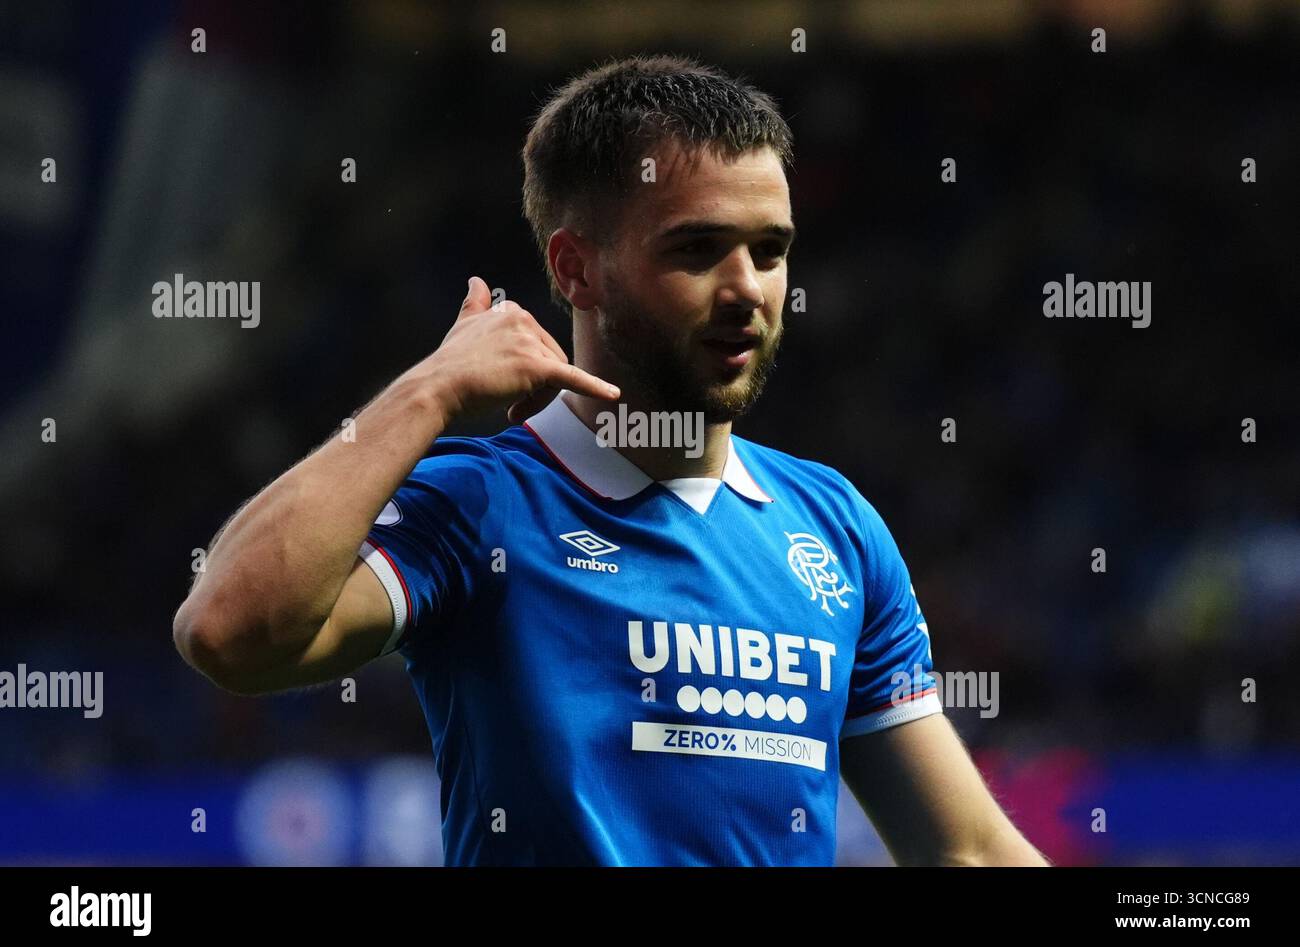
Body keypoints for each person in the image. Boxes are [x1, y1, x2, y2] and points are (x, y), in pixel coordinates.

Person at [174, 54, 1047, 866]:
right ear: (577, 271)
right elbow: (230, 633)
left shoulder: (837, 528)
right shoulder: (483, 504)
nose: (748, 288)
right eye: (697, 249)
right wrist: (428, 392)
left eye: (770, 251)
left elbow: (966, 851)